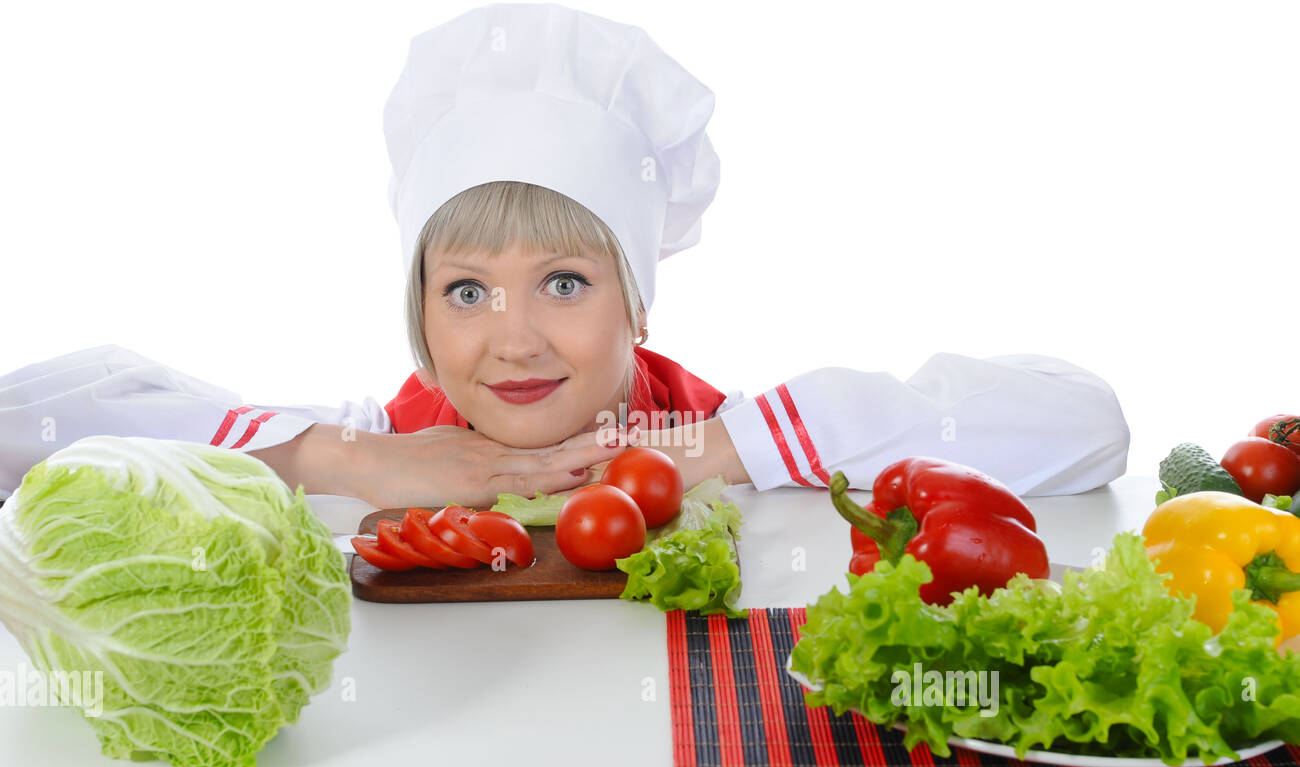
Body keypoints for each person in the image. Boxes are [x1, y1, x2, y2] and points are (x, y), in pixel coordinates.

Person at [0, 3, 1128, 509]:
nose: (517, 336)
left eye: (568, 281)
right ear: (420, 310)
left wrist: (733, 443)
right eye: (467, 289)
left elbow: (1083, 420)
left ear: (638, 301)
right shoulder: (374, 439)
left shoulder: (723, 439)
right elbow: (29, 426)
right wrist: (331, 462)